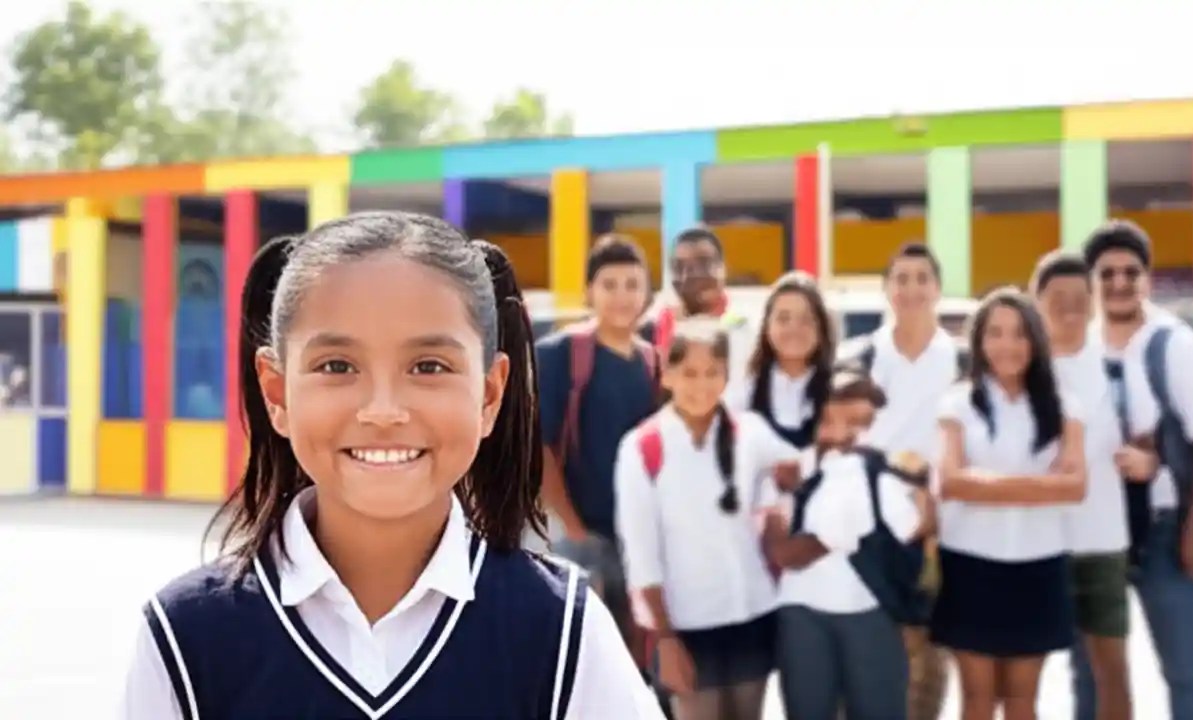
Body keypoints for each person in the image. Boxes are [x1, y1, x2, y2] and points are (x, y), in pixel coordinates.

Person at [119, 213, 662, 719]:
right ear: (277, 393)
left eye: (428, 366)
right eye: (337, 365)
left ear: (490, 394)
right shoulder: (184, 639)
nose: (382, 411)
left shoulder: (563, 631)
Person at [1080, 220, 1193, 720]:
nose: (1119, 283)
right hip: (1096, 536)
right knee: (1091, 672)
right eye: (1107, 273)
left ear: (1147, 278)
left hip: (1163, 536)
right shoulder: (1079, 345)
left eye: (1131, 272)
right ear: (1091, 279)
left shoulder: (1174, 345)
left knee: (1182, 670)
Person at [614, 318, 797, 720]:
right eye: (690, 372)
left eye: (713, 372)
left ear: (727, 376)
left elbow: (799, 469)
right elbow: (641, 554)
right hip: (684, 624)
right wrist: (664, 637)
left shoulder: (750, 432)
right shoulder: (643, 447)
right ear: (668, 373)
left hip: (752, 612)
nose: (701, 384)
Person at [933, 288, 1086, 720]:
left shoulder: (1064, 404)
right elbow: (951, 480)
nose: (1008, 345)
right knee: (977, 698)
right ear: (979, 342)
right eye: (995, 333)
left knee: (1022, 700)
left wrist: (987, 486)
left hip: (1039, 565)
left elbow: (1075, 486)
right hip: (971, 565)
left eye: (1019, 334)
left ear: (1035, 340)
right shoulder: (957, 402)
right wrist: (1040, 486)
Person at [762, 367, 927, 720]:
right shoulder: (797, 465)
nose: (849, 428)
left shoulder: (873, 471)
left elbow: (791, 552)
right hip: (802, 613)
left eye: (862, 419)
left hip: (866, 612)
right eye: (838, 412)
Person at [837, 241, 959, 720]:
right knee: (865, 659)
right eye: (901, 279)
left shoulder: (963, 361)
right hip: (867, 534)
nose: (911, 289)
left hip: (939, 533)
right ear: (887, 289)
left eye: (922, 279)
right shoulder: (857, 359)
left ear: (938, 288)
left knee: (929, 664)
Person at [1034, 251, 1155, 720]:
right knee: (1022, 674)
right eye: (1056, 298)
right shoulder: (1021, 371)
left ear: (1093, 303)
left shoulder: (1118, 369)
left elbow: (1148, 441)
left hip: (1103, 545)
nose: (1069, 308)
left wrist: (1147, 460)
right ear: (1036, 301)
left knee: (1111, 672)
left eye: (1079, 298)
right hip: (1034, 546)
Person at [537, 234, 658, 650]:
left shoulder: (653, 361)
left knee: (632, 660)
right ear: (590, 291)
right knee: (577, 652)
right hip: (580, 536)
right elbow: (540, 447)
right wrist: (573, 527)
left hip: (638, 538)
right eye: (609, 285)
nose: (621, 297)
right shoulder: (560, 353)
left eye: (632, 285)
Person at [726, 270, 835, 447]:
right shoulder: (746, 388)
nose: (794, 329)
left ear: (821, 328)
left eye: (806, 320)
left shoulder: (837, 389)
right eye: (783, 319)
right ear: (767, 326)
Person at [643, 227, 754, 383]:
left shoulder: (746, 328)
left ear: (723, 268)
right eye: (680, 267)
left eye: (703, 264)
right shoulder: (653, 329)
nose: (690, 275)